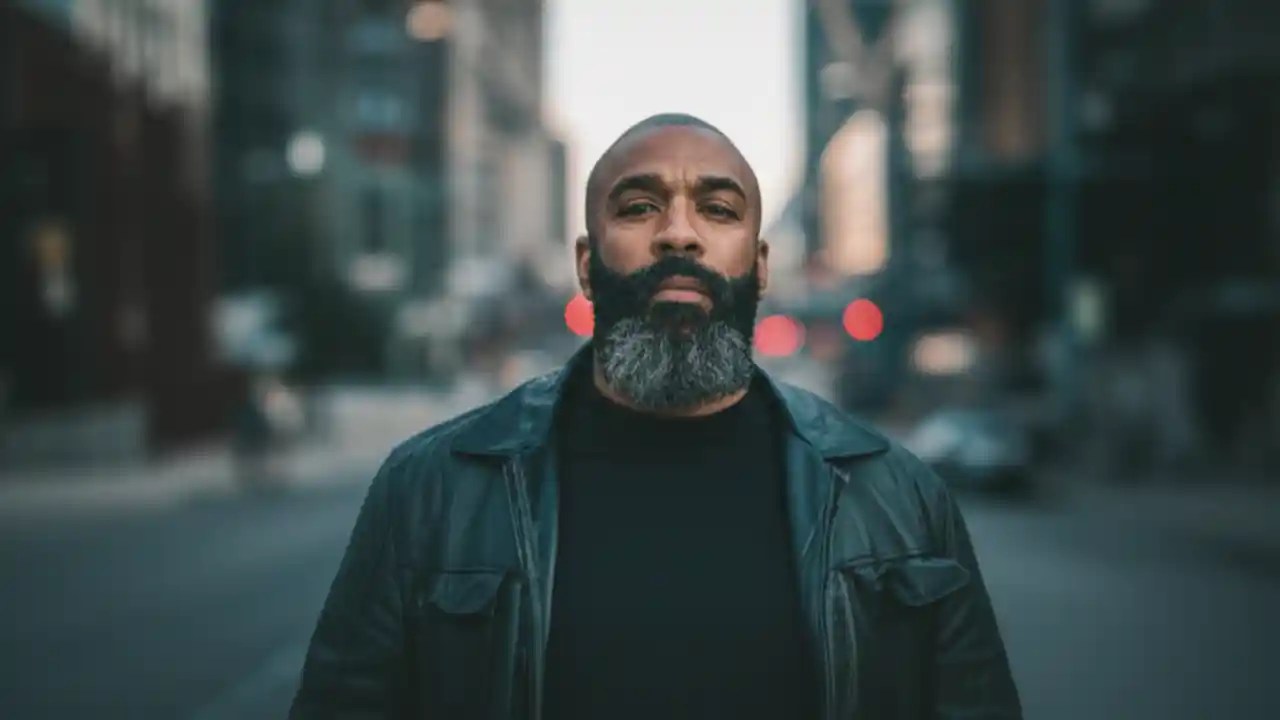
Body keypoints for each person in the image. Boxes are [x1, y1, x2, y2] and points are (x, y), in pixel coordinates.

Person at [290, 114, 1022, 720]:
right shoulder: (429, 492)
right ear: (585, 264)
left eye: (719, 209)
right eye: (640, 207)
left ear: (760, 265)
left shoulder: (898, 500)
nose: (679, 233)